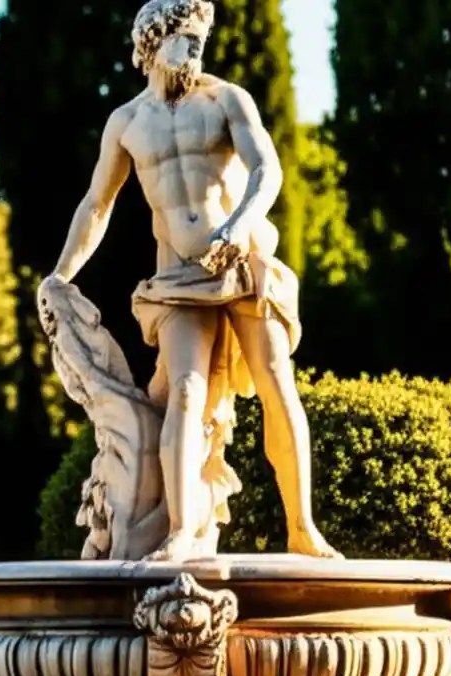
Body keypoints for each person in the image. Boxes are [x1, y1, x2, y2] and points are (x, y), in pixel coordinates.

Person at [45, 0, 340, 562]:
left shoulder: (226, 98)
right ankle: (181, 532)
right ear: (154, 44)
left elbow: (266, 169)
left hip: (241, 263)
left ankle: (302, 528)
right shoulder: (128, 122)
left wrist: (241, 223)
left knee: (278, 389)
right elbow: (96, 204)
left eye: (201, 38)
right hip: (178, 278)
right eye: (187, 38)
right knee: (184, 391)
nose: (198, 48)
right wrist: (61, 273)